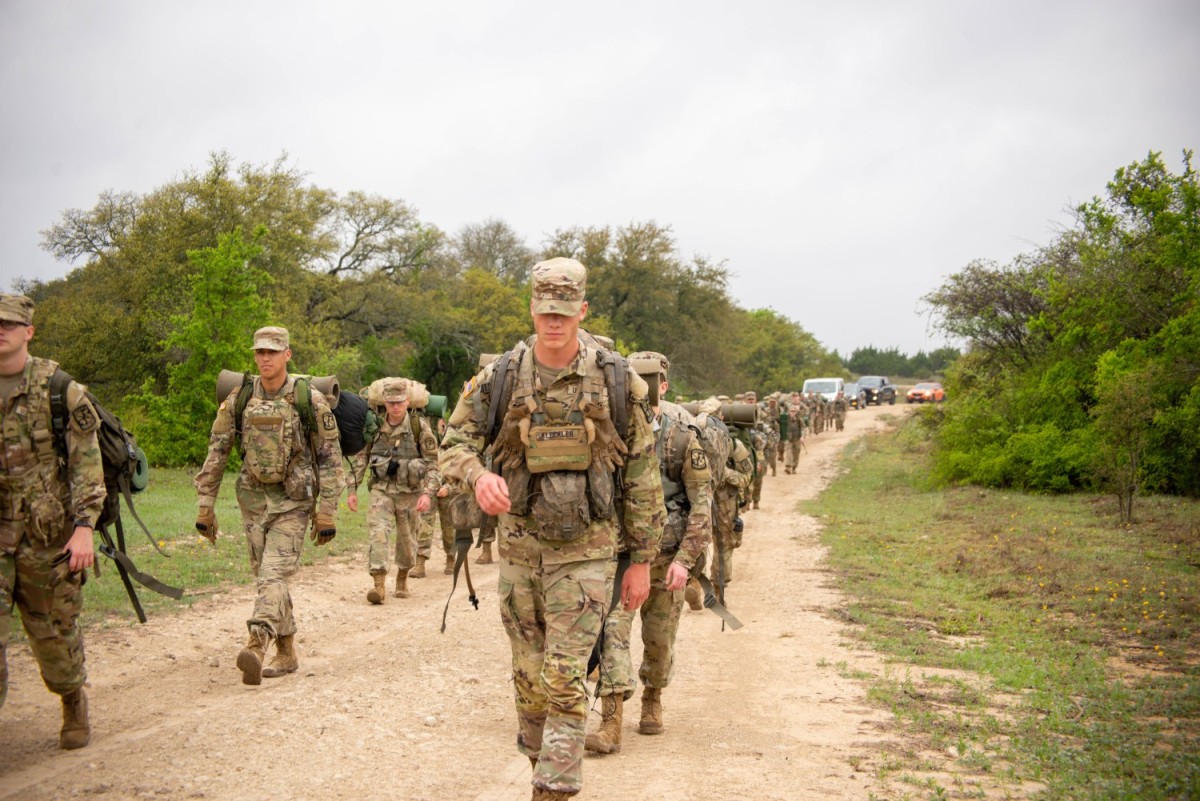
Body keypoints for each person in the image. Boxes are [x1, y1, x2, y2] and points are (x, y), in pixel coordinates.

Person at [439, 257, 664, 801]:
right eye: (546, 312)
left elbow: (641, 474)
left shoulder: (615, 380)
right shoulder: (500, 377)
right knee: (530, 677)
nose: (554, 322)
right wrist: (476, 476)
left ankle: (553, 790)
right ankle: (543, 762)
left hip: (587, 553)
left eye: (565, 312)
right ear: (533, 310)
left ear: (582, 310)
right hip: (519, 552)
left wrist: (642, 561)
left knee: (564, 678)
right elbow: (452, 445)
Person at [194, 326, 344, 685]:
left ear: (287, 355)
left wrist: (326, 512)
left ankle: (256, 642)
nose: (265, 358)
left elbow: (331, 459)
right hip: (253, 500)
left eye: (272, 352)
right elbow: (217, 451)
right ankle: (288, 650)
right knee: (267, 577)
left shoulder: (310, 400)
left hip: (294, 501)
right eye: (260, 352)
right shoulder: (240, 398)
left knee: (272, 575)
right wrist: (205, 506)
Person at [586, 351, 711, 754]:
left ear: (664, 384)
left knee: (658, 640)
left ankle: (653, 698)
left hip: (667, 559)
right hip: (621, 557)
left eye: (650, 378)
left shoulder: (682, 437)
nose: (642, 385)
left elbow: (701, 505)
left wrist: (685, 563)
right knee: (612, 633)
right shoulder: (611, 431)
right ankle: (610, 720)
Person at [0, 293, 105, 749]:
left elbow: (87, 465)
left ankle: (71, 698)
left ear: (28, 331)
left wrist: (84, 529)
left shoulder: (60, 389)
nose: (0, 329)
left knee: (54, 636)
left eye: (8, 323)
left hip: (46, 539)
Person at [346, 378, 440, 602]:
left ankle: (402, 579)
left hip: (410, 493)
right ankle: (378, 586)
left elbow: (433, 464)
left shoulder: (420, 427)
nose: (395, 407)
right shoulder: (375, 427)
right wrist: (351, 489)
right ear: (385, 403)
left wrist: (428, 493)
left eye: (399, 402)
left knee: (407, 544)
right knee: (378, 534)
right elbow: (362, 458)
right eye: (390, 403)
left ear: (407, 402)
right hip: (382, 490)